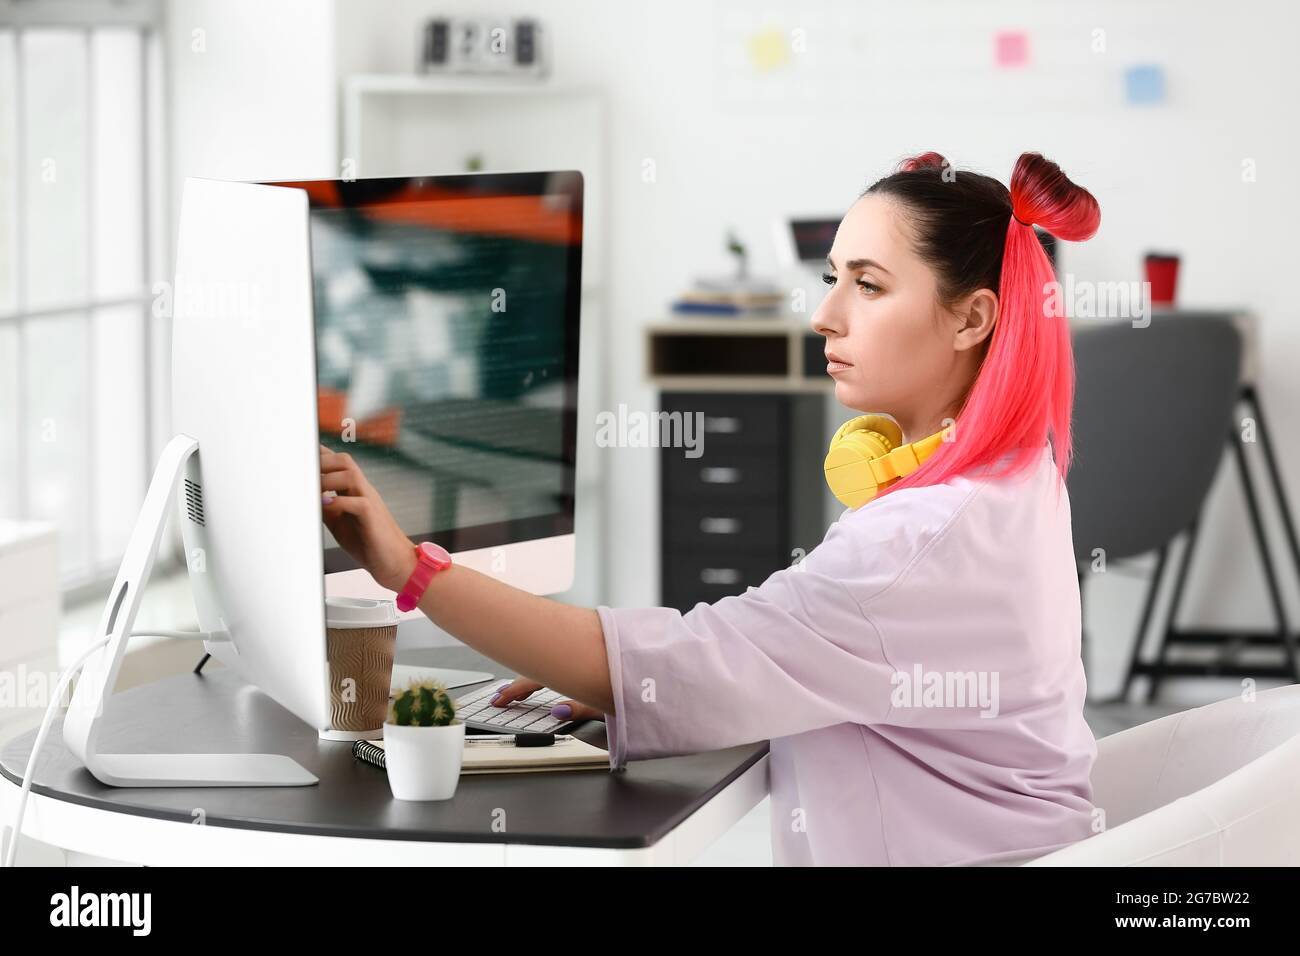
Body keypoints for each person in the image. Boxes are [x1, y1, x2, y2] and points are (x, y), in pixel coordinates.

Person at [320, 150, 1102, 866]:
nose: (825, 316)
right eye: (832, 277)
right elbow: (786, 663)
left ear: (972, 318)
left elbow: (687, 663)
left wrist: (404, 564)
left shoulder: (913, 546)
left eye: (867, 285)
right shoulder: (1018, 476)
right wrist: (651, 681)